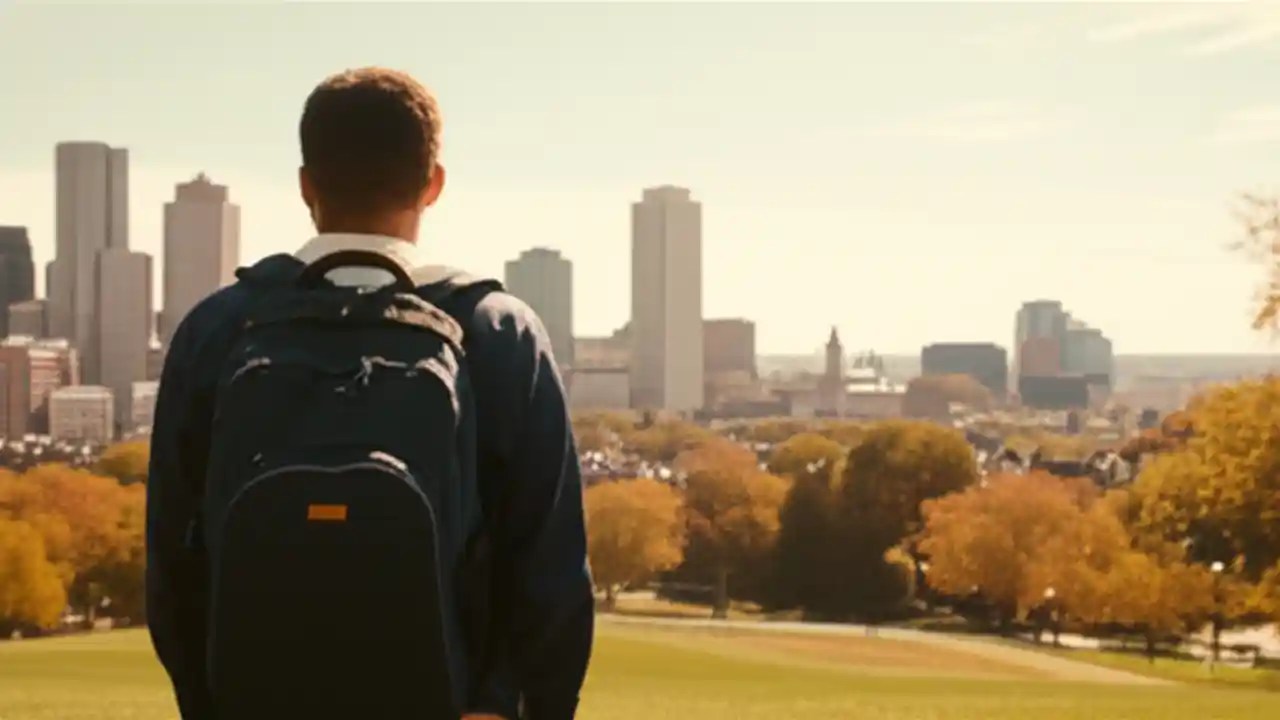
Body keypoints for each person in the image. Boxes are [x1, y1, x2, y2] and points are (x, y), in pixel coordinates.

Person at [146, 67, 594, 720]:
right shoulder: (497, 331)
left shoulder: (215, 330)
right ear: (433, 182)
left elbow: (172, 571)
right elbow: (551, 574)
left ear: (306, 185)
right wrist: (504, 705)